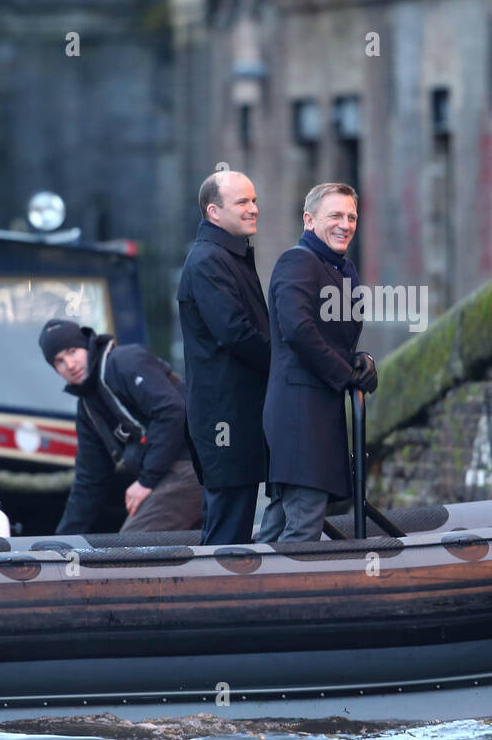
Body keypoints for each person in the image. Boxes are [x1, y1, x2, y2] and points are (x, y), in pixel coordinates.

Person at [260, 183, 377, 542]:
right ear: (309, 220)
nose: (345, 224)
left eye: (351, 216)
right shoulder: (298, 261)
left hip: (316, 415)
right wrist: (345, 376)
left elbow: (332, 336)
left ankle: (246, 591)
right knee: (303, 529)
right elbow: (297, 329)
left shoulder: (341, 269)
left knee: (281, 525)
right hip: (299, 417)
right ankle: (283, 598)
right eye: (335, 216)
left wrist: (360, 361)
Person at [177, 171, 273, 545]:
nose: (254, 209)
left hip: (234, 413)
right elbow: (235, 332)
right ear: (214, 212)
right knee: (227, 530)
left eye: (254, 200)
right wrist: (287, 362)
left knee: (232, 521)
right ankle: (213, 599)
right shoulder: (209, 261)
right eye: (243, 203)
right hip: (225, 418)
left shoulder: (226, 256)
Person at [39, 318, 203, 534]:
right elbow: (89, 479)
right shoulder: (88, 407)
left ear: (88, 345)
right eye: (59, 361)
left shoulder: (125, 361)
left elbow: (172, 411)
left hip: (194, 464)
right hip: (166, 474)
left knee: (130, 549)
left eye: (72, 351)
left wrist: (145, 482)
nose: (69, 365)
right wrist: (59, 545)